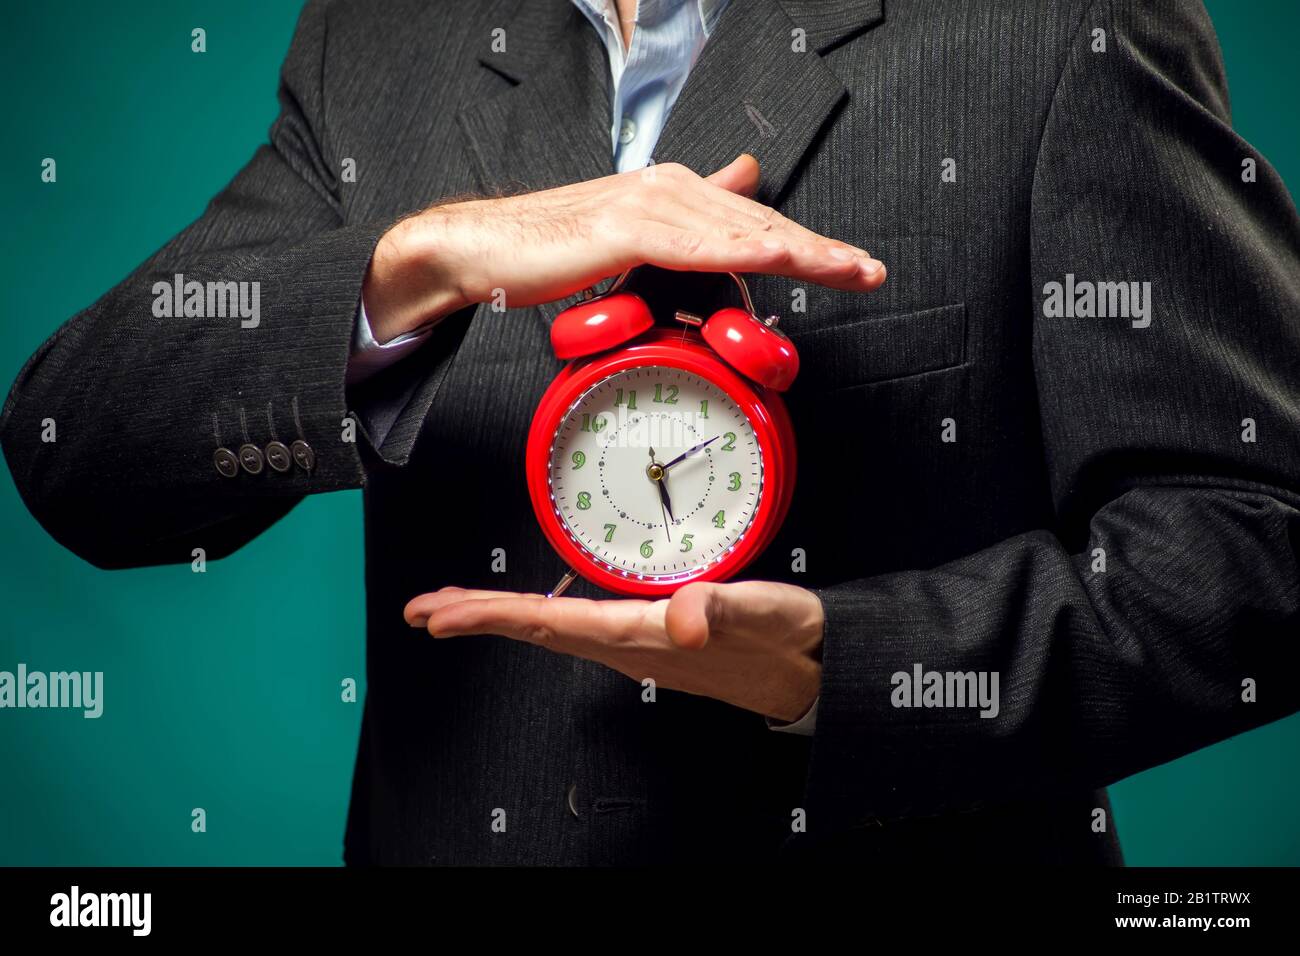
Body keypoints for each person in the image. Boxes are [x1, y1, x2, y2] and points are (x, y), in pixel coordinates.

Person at [2, 0, 1298, 865]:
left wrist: (842, 669)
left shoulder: (1058, 23)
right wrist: (418, 259)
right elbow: (77, 450)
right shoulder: (378, 39)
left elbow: (1256, 542)